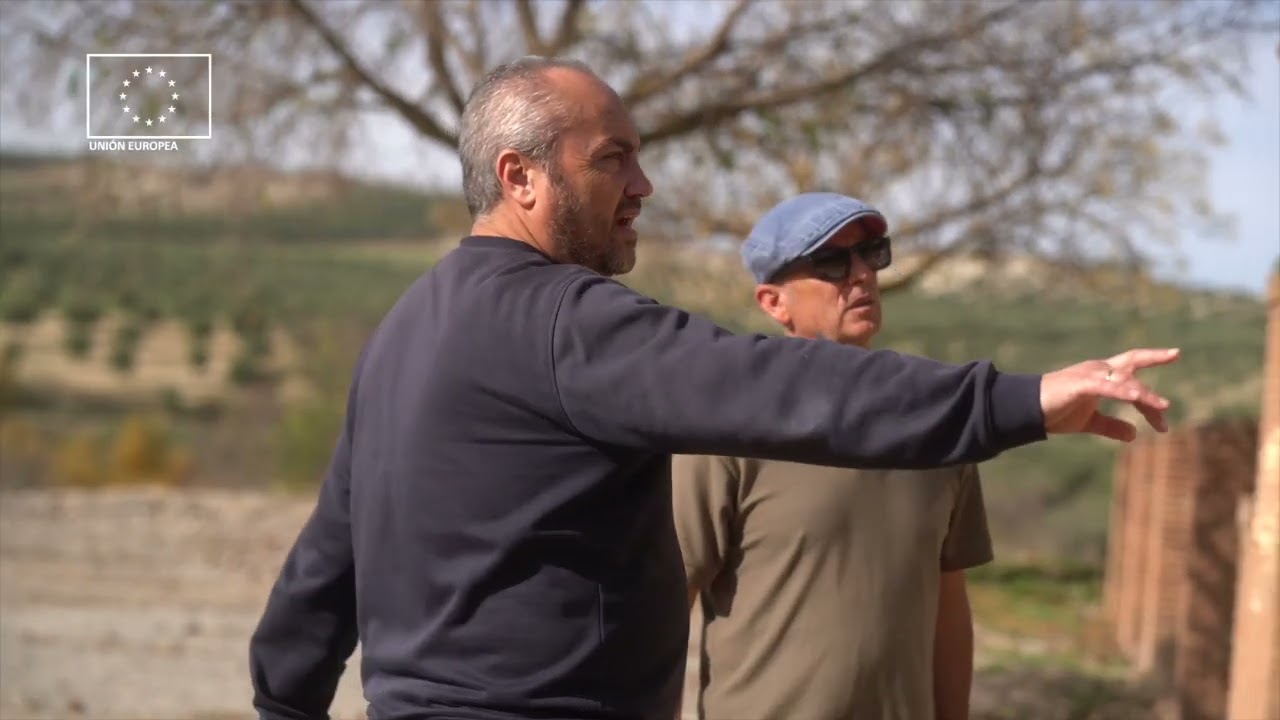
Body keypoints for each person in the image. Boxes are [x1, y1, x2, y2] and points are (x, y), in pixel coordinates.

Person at [248, 56, 1178, 720]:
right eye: (612, 157)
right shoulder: (568, 323)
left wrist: (285, 696)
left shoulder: (406, 330)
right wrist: (1017, 401)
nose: (644, 183)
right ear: (518, 176)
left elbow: (328, 558)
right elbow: (777, 385)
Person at [673, 193, 993, 720]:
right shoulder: (726, 428)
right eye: (832, 262)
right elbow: (666, 601)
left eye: (873, 253)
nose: (862, 274)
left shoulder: (935, 419)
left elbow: (948, 604)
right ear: (774, 302)